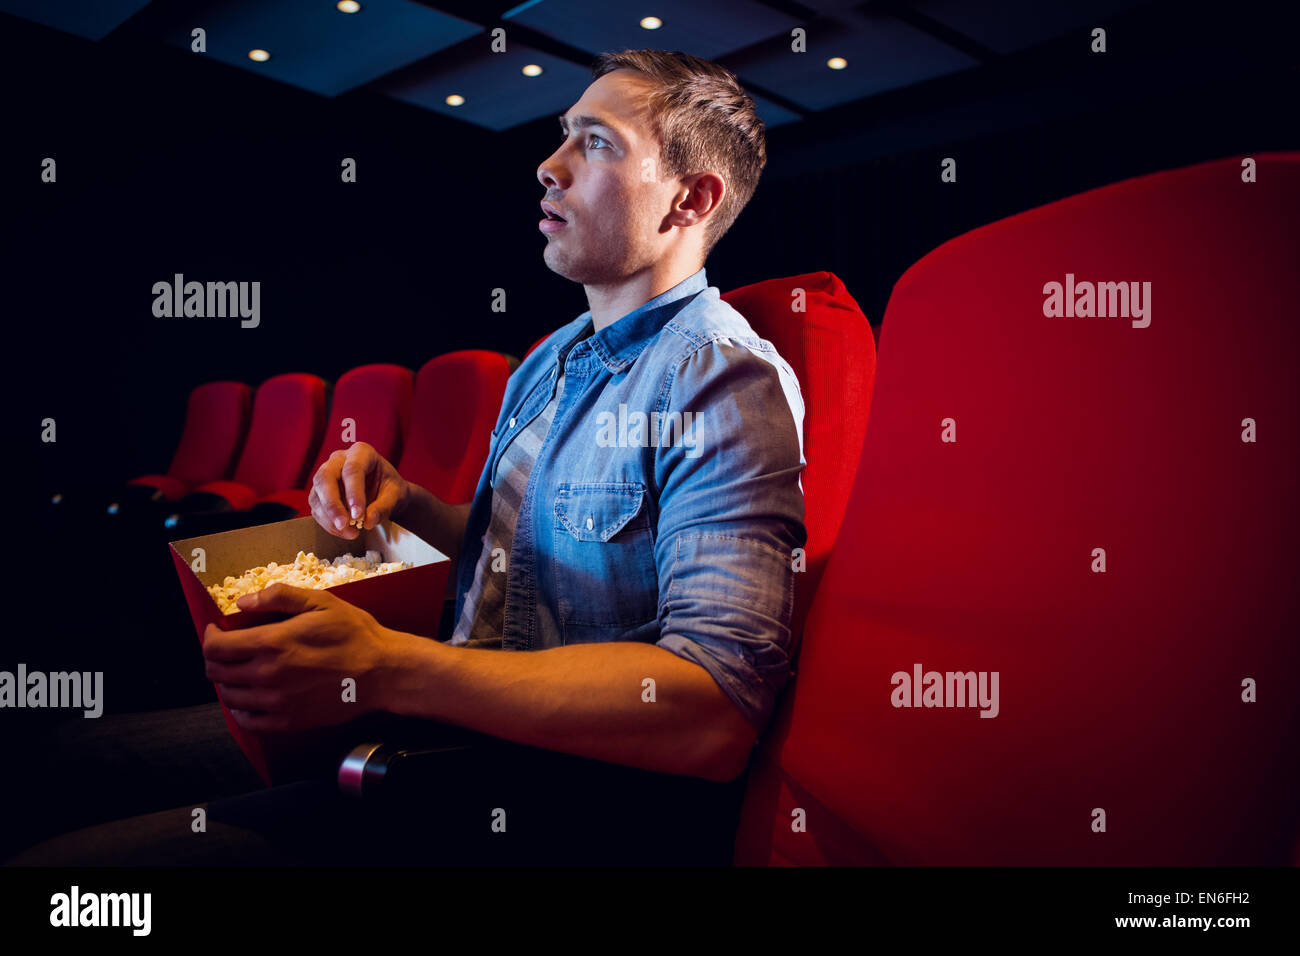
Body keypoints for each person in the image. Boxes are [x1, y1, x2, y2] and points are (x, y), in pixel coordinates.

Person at [5, 48, 805, 866]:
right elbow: (515, 551)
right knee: (52, 761)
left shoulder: (720, 377)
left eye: (596, 144)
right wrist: (412, 502)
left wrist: (392, 667)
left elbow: (714, 708)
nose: (548, 166)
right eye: (563, 136)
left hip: (533, 784)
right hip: (443, 709)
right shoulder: (552, 357)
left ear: (691, 198)